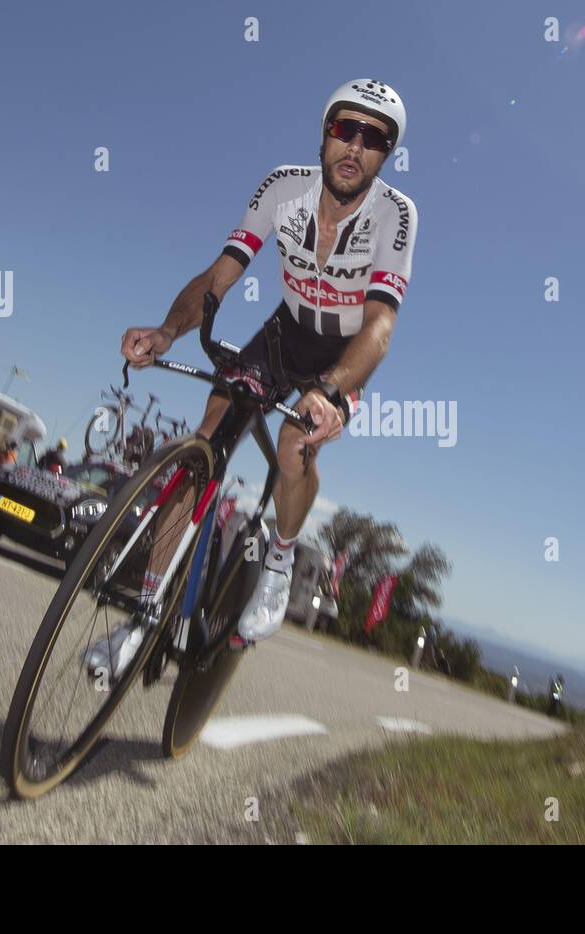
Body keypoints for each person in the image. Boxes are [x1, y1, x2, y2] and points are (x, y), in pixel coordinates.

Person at [92, 79, 417, 677]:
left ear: (385, 156)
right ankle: (142, 617)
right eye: (344, 129)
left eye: (373, 139)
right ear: (324, 133)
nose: (354, 146)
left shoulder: (395, 214)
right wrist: (167, 332)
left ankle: (280, 559)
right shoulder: (282, 187)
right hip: (283, 332)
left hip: (343, 353)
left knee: (295, 444)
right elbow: (219, 276)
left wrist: (333, 388)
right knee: (205, 441)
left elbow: (379, 325)